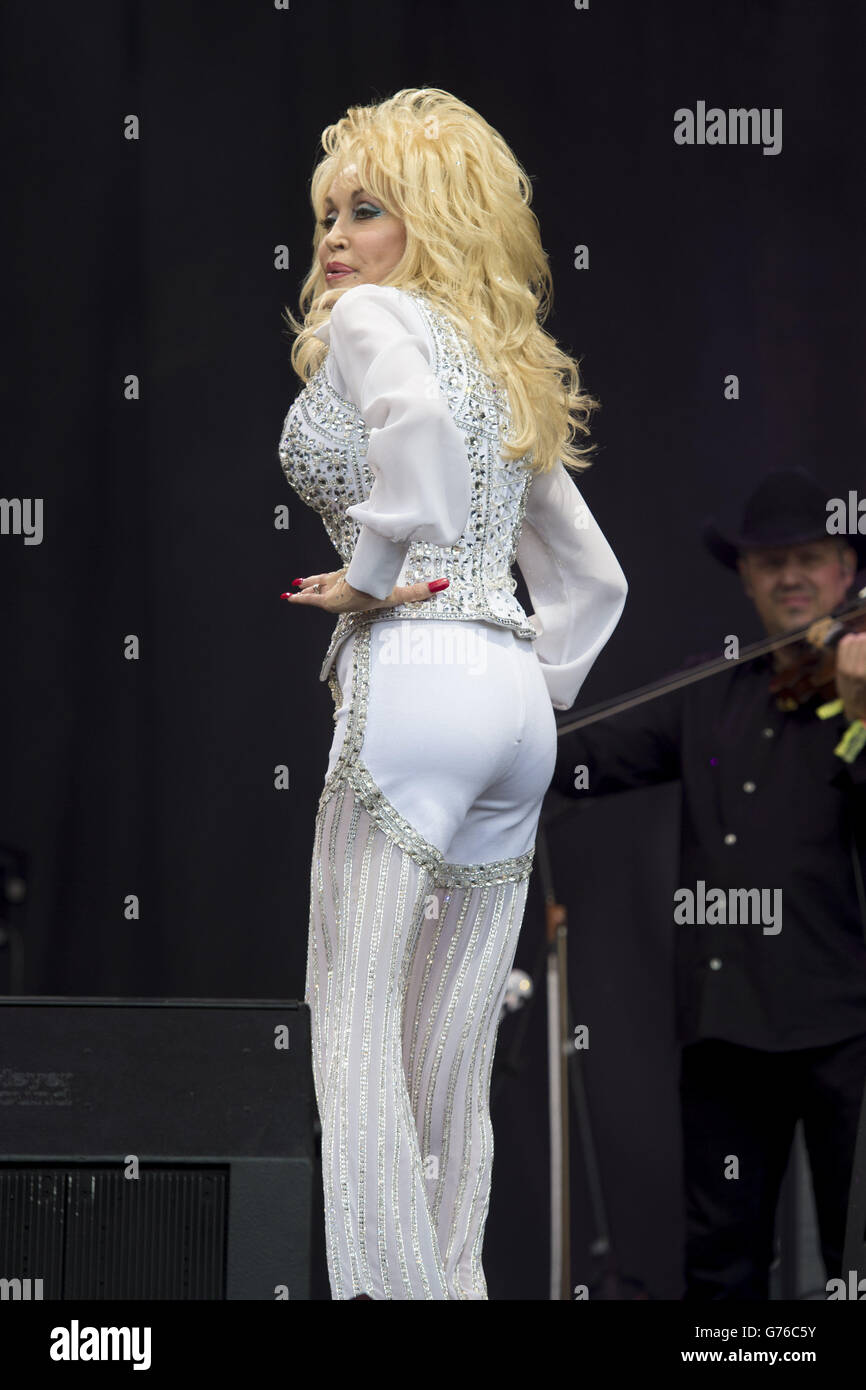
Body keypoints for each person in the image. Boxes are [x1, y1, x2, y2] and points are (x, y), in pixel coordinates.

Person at [277, 87, 627, 1300]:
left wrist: (371, 578)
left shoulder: (378, 320)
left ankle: (386, 1293)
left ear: (430, 223)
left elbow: (412, 438)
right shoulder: (500, 368)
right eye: (327, 213)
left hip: (416, 675)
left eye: (365, 210)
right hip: (508, 704)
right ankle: (453, 1286)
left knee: (354, 1005)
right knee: (451, 1045)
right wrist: (516, 699)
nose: (334, 239)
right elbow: (592, 582)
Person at [553, 467, 866, 1300]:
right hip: (728, 1029)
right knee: (722, 1266)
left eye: (809, 557)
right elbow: (579, 759)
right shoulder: (710, 693)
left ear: (846, 570)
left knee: (858, 1260)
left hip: (847, 1030)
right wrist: (485, 716)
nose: (790, 576)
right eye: (770, 562)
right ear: (746, 577)